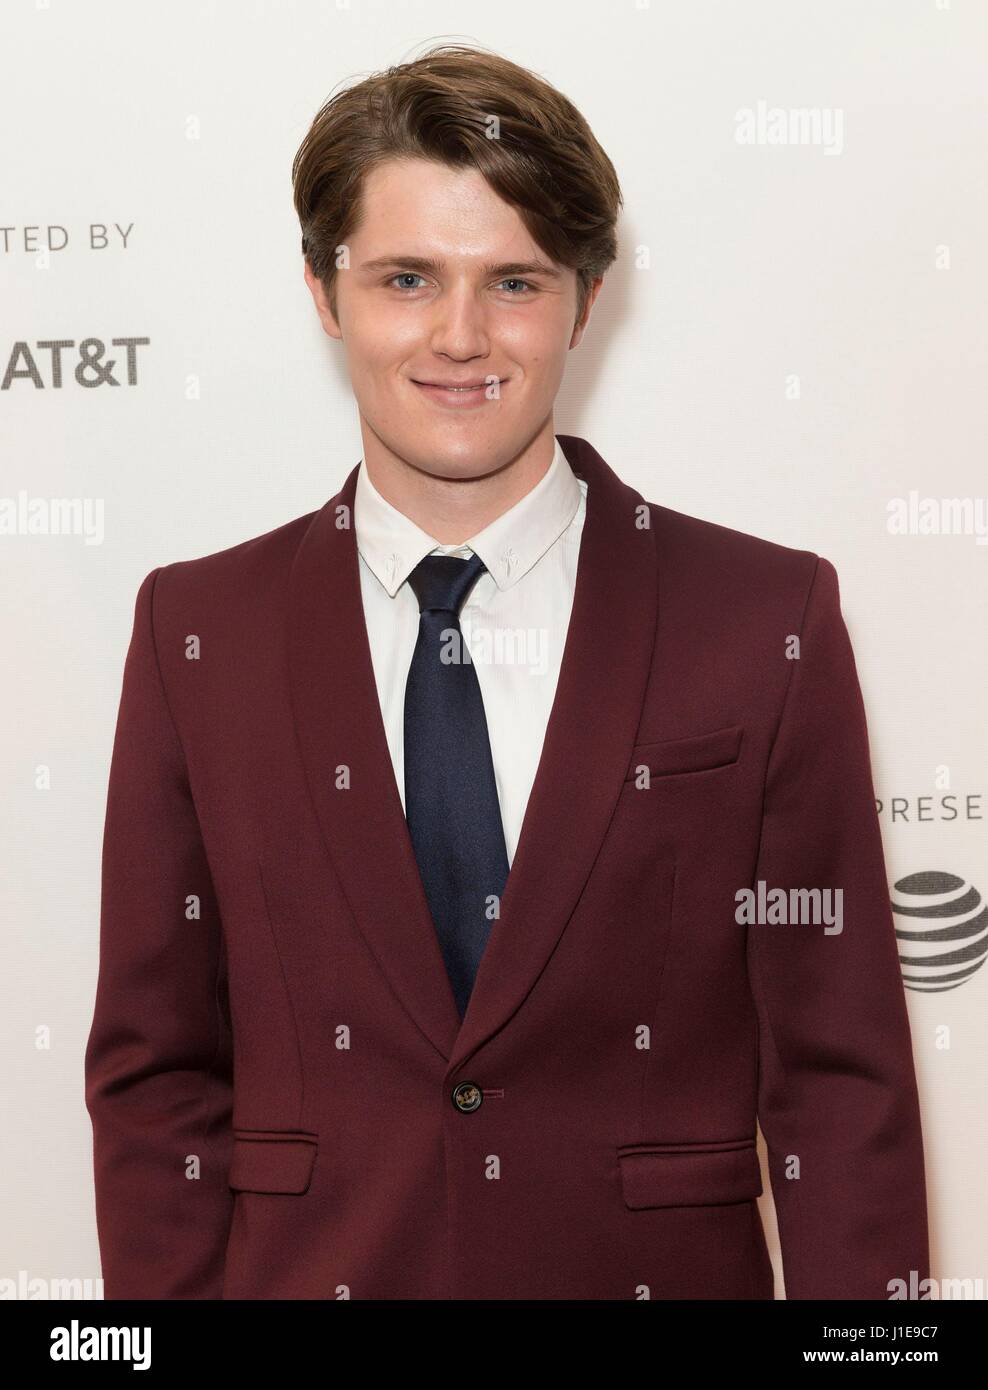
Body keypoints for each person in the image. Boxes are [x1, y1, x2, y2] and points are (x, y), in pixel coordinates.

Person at [85, 42, 929, 1300]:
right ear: (326, 293)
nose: (460, 336)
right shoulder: (198, 631)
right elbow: (157, 1075)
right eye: (407, 277)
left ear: (587, 297)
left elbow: (838, 1075)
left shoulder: (766, 619)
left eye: (515, 281)